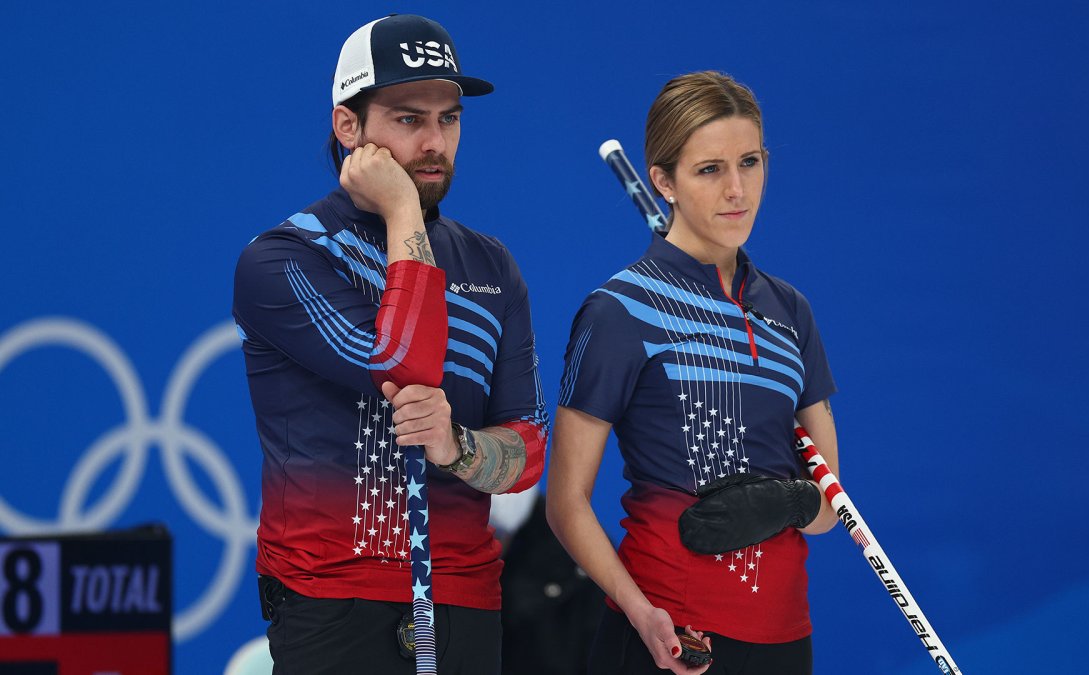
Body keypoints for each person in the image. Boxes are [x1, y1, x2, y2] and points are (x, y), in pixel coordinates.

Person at [232, 14, 547, 674]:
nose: (435, 142)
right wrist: (405, 211)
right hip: (331, 600)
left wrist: (458, 446)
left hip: (466, 600)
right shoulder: (283, 258)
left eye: (449, 119)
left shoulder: (492, 266)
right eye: (408, 120)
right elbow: (403, 360)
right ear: (349, 127)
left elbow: (525, 450)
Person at [546, 71, 840, 675]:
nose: (738, 190)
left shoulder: (790, 312)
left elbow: (828, 511)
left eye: (751, 162)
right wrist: (638, 611)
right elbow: (566, 502)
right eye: (710, 169)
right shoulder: (619, 310)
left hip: (785, 640)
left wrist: (781, 500)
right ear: (662, 181)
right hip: (673, 636)